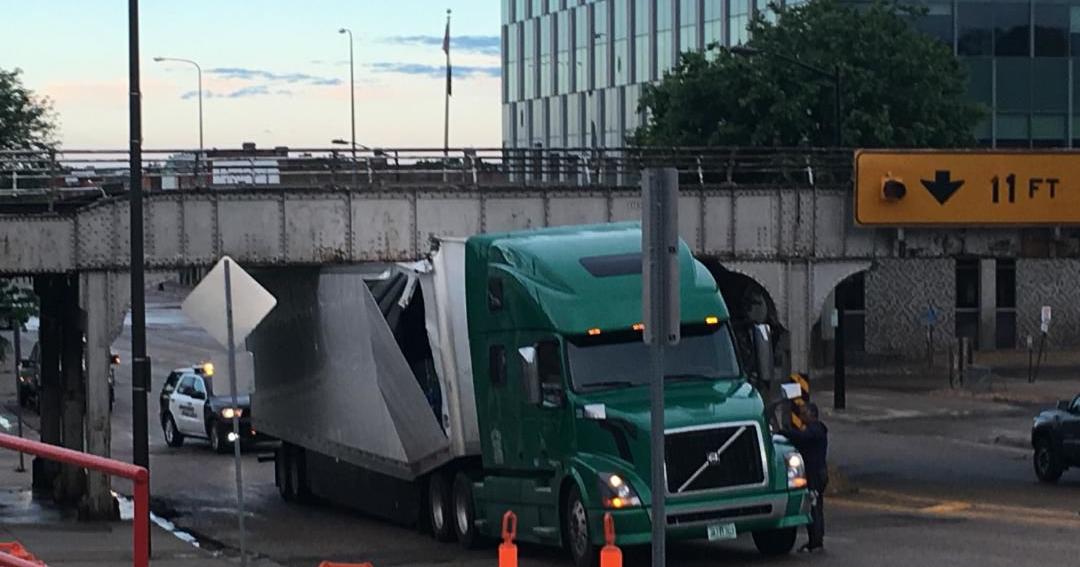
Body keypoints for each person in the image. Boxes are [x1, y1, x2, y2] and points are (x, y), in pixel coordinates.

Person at [782, 402, 828, 552]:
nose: (801, 417)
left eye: (804, 414)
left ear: (812, 414)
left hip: (816, 474)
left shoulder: (816, 430)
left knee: (814, 507)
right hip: (815, 473)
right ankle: (814, 539)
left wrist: (785, 432)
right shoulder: (815, 430)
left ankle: (816, 541)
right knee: (813, 506)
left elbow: (803, 438)